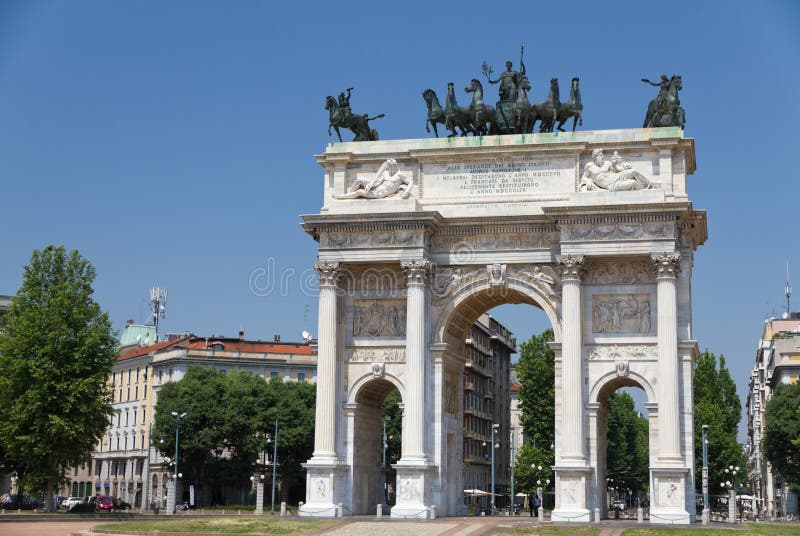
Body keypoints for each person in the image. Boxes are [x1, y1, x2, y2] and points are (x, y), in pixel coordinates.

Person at [580, 149, 658, 192]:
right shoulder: (589, 166)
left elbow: (618, 169)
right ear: (594, 157)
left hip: (615, 177)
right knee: (633, 183)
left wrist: (621, 166)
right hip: (610, 185)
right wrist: (587, 181)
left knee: (633, 171)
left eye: (602, 155)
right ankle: (644, 189)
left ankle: (649, 184)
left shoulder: (607, 163)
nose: (602, 157)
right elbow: (584, 177)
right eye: (600, 156)